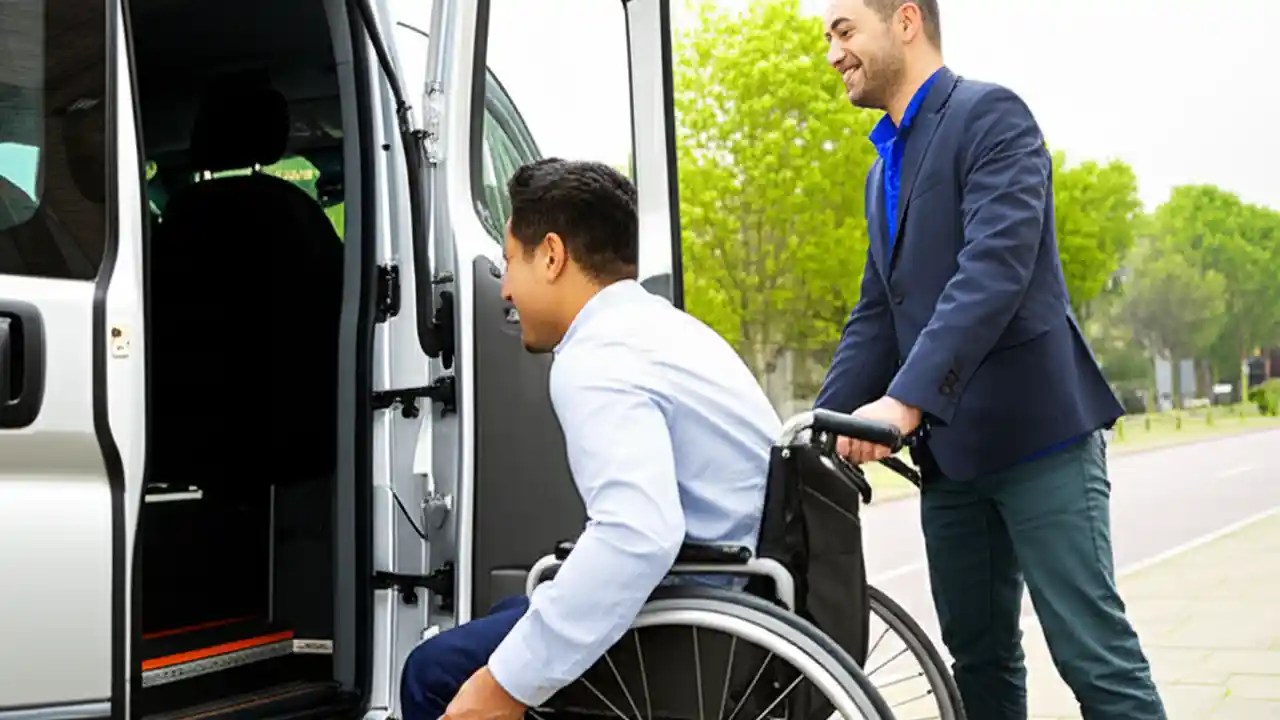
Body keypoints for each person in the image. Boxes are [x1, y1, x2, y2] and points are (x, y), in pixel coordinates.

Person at [813, 1, 1167, 719]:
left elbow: (994, 270)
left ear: (905, 21)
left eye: (844, 30)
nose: (832, 53)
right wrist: (823, 424)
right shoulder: (882, 169)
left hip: (1041, 442)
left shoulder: (991, 116)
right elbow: (878, 314)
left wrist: (904, 401)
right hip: (953, 463)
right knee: (978, 663)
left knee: (1093, 657)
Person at [398, 158, 782, 720]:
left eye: (509, 263)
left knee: (434, 672)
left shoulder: (597, 358)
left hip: (695, 630)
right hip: (743, 602)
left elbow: (638, 533)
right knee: (515, 608)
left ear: (551, 256)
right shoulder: (665, 329)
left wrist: (504, 686)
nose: (504, 290)